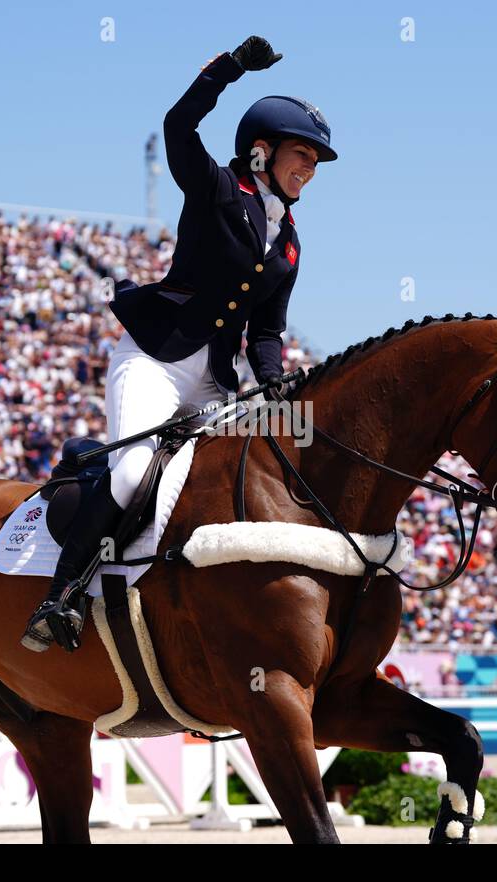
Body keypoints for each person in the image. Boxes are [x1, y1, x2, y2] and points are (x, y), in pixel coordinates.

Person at [21, 35, 337, 652]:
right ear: (261, 151)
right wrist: (229, 69)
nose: (308, 170)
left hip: (216, 380)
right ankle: (59, 597)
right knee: (135, 470)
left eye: (316, 163)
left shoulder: (291, 243)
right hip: (155, 361)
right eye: (302, 155)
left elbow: (266, 330)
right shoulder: (217, 188)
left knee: (246, 478)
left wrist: (275, 379)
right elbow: (178, 123)